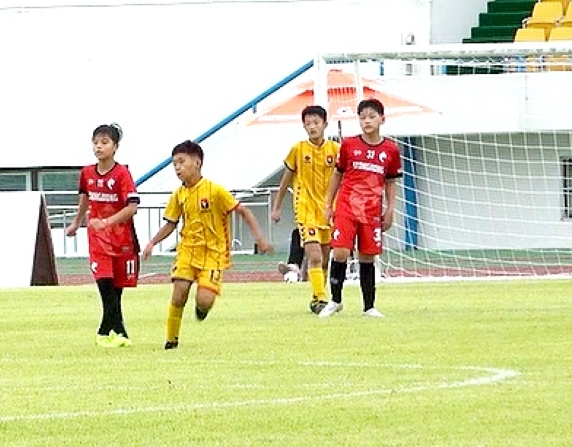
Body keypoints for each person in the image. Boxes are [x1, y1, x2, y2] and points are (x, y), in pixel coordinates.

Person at [142, 140, 274, 349]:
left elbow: (244, 211)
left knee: (204, 301)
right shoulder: (179, 194)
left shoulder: (215, 191)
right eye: (174, 163)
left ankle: (201, 308)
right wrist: (152, 242)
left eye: (181, 162)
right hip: (187, 251)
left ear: (197, 162)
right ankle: (171, 341)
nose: (177, 167)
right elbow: (171, 223)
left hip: (214, 253)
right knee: (179, 294)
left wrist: (259, 238)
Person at [320, 99, 402, 319]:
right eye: (363, 117)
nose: (367, 121)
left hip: (371, 211)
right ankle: (335, 301)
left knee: (367, 258)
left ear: (382, 119)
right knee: (340, 252)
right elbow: (337, 173)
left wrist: (391, 209)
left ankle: (369, 307)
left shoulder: (391, 150)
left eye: (372, 116)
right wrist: (329, 204)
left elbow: (391, 181)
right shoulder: (349, 145)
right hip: (347, 207)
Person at [65, 124, 140, 348]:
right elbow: (84, 200)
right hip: (98, 240)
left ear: (115, 147)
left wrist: (108, 221)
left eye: (104, 142)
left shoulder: (122, 174)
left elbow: (132, 206)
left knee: (116, 290)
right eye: (96, 142)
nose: (99, 146)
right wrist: (76, 223)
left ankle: (114, 332)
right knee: (104, 286)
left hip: (122, 239)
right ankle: (110, 332)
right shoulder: (87, 173)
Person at [270, 105, 340, 313]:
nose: (312, 127)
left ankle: (317, 295)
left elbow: (344, 178)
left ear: (325, 124)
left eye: (316, 122)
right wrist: (277, 207)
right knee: (315, 255)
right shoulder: (298, 149)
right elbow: (286, 180)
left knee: (326, 258)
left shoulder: (335, 150)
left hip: (328, 211)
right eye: (308, 124)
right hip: (305, 209)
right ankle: (320, 299)